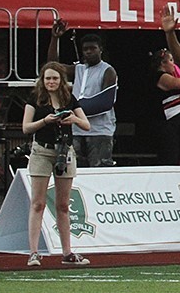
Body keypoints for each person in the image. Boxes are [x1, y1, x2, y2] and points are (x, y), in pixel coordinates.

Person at [23, 61, 91, 268]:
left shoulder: (69, 98)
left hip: (64, 151)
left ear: (61, 80)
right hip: (41, 151)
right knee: (38, 203)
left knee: (63, 205)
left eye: (55, 78)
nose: (51, 82)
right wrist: (46, 120)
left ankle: (67, 251)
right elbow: (26, 127)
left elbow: (86, 125)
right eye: (48, 78)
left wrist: (73, 120)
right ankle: (34, 252)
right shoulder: (35, 98)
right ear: (42, 81)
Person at [46, 21, 118, 168]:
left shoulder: (108, 71)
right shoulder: (78, 69)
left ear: (101, 50)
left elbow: (104, 103)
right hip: (76, 130)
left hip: (99, 131)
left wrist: (72, 109)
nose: (88, 52)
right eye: (85, 49)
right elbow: (52, 67)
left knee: (99, 172)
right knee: (75, 172)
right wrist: (55, 38)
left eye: (93, 48)